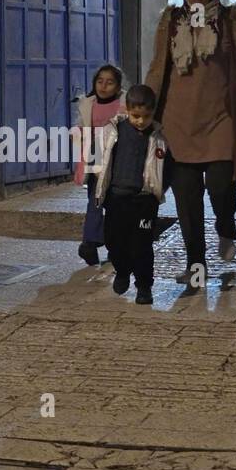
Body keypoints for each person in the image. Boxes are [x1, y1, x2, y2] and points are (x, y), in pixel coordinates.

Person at [145, 0, 236, 288]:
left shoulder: (233, 21)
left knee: (221, 186)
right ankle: (196, 267)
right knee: (187, 199)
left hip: (221, 117)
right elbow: (158, 69)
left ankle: (226, 227)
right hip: (178, 122)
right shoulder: (171, 21)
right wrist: (145, 111)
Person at [93, 84, 166, 305]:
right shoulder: (113, 130)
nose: (141, 121)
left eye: (146, 116)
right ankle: (122, 271)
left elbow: (164, 167)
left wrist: (157, 190)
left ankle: (144, 287)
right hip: (116, 198)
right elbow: (101, 161)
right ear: (127, 110)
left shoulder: (158, 136)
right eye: (136, 116)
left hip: (144, 200)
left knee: (142, 245)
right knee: (114, 241)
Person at [73, 64, 124, 266]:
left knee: (114, 204)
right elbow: (81, 126)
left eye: (109, 82)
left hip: (118, 157)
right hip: (95, 155)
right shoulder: (88, 104)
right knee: (95, 200)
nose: (103, 86)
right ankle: (89, 243)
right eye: (100, 81)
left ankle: (115, 245)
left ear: (118, 86)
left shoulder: (124, 103)